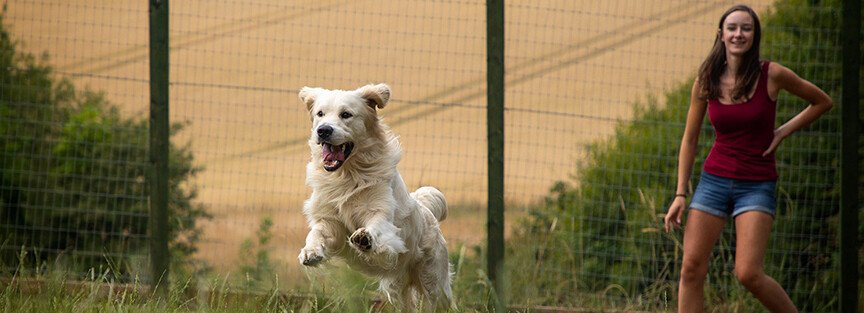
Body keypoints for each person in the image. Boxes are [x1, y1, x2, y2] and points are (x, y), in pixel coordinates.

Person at [663, 4, 833, 313]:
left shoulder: (773, 74)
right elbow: (689, 139)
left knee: (748, 273)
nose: (738, 34)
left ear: (755, 36)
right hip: (713, 181)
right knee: (690, 268)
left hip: (756, 184)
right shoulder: (706, 80)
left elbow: (822, 101)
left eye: (746, 28)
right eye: (732, 28)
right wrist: (680, 193)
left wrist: (782, 131)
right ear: (721, 35)